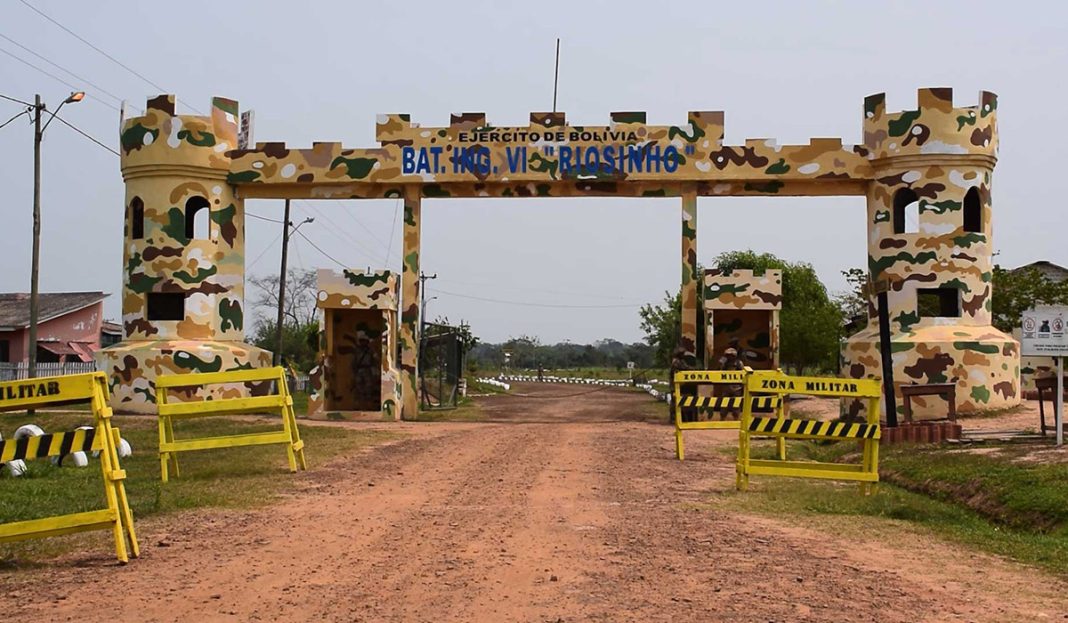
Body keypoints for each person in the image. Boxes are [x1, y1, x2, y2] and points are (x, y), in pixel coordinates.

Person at [669, 344, 697, 423]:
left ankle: (680, 418)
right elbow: (684, 368)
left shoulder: (681, 361)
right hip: (674, 384)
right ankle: (673, 418)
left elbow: (687, 367)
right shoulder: (676, 361)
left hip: (680, 384)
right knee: (675, 401)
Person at [717, 346, 745, 420]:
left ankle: (736, 418)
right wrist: (721, 364)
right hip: (726, 386)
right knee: (724, 403)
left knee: (736, 404)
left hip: (736, 387)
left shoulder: (738, 363)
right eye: (727, 355)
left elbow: (743, 373)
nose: (729, 357)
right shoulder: (724, 363)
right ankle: (722, 418)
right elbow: (719, 371)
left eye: (730, 355)